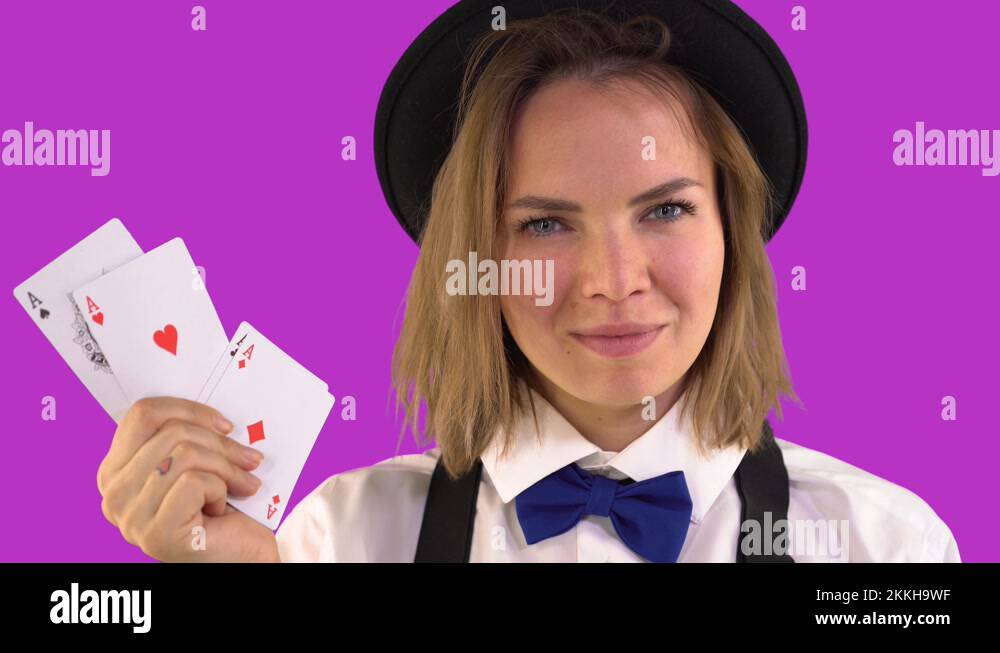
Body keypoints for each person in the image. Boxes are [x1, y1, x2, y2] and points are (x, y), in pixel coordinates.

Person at [96, 1, 960, 563]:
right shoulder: (342, 538)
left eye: (665, 210)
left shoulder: (884, 549)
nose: (614, 280)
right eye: (545, 224)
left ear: (732, 229)